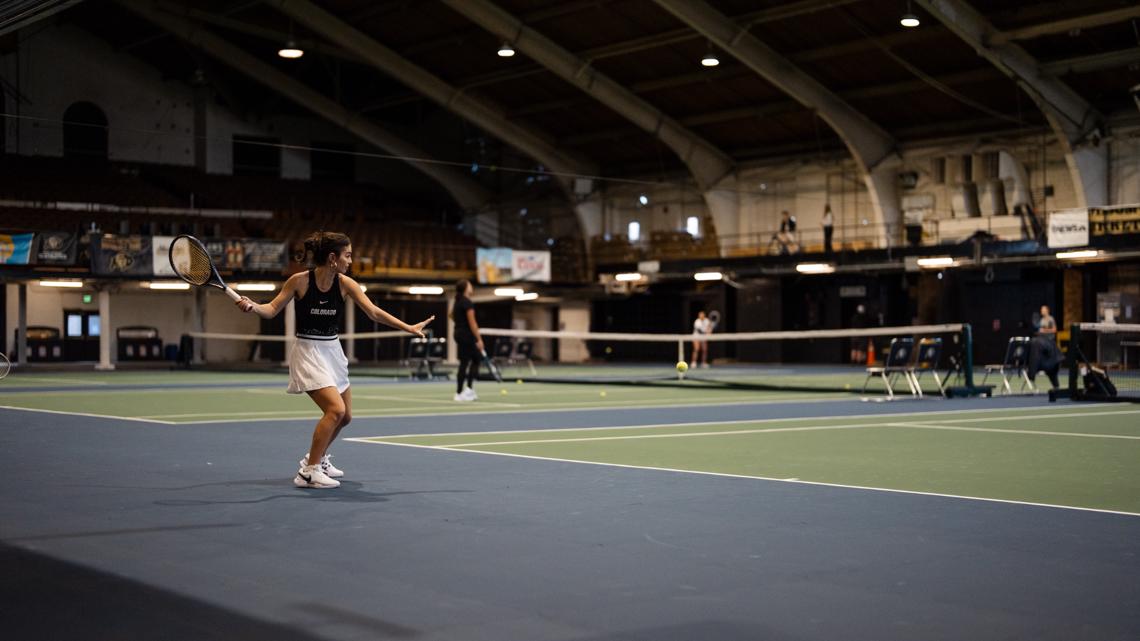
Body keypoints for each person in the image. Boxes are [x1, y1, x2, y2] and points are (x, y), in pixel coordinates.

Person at [235, 231, 433, 489]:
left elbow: (373, 312)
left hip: (333, 351)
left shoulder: (345, 283)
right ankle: (308, 472)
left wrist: (407, 327)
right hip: (308, 352)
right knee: (335, 410)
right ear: (332, 258)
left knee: (346, 416)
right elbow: (271, 310)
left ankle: (315, 458)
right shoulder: (299, 281)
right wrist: (253, 306)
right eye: (347, 255)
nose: (350, 261)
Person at [452, 279, 484, 402]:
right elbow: (472, 323)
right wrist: (479, 339)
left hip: (458, 334)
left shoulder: (457, 302)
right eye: (470, 285)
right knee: (474, 360)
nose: (472, 287)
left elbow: (452, 316)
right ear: (466, 288)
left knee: (467, 361)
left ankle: (464, 392)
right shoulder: (467, 303)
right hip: (466, 335)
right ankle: (464, 391)